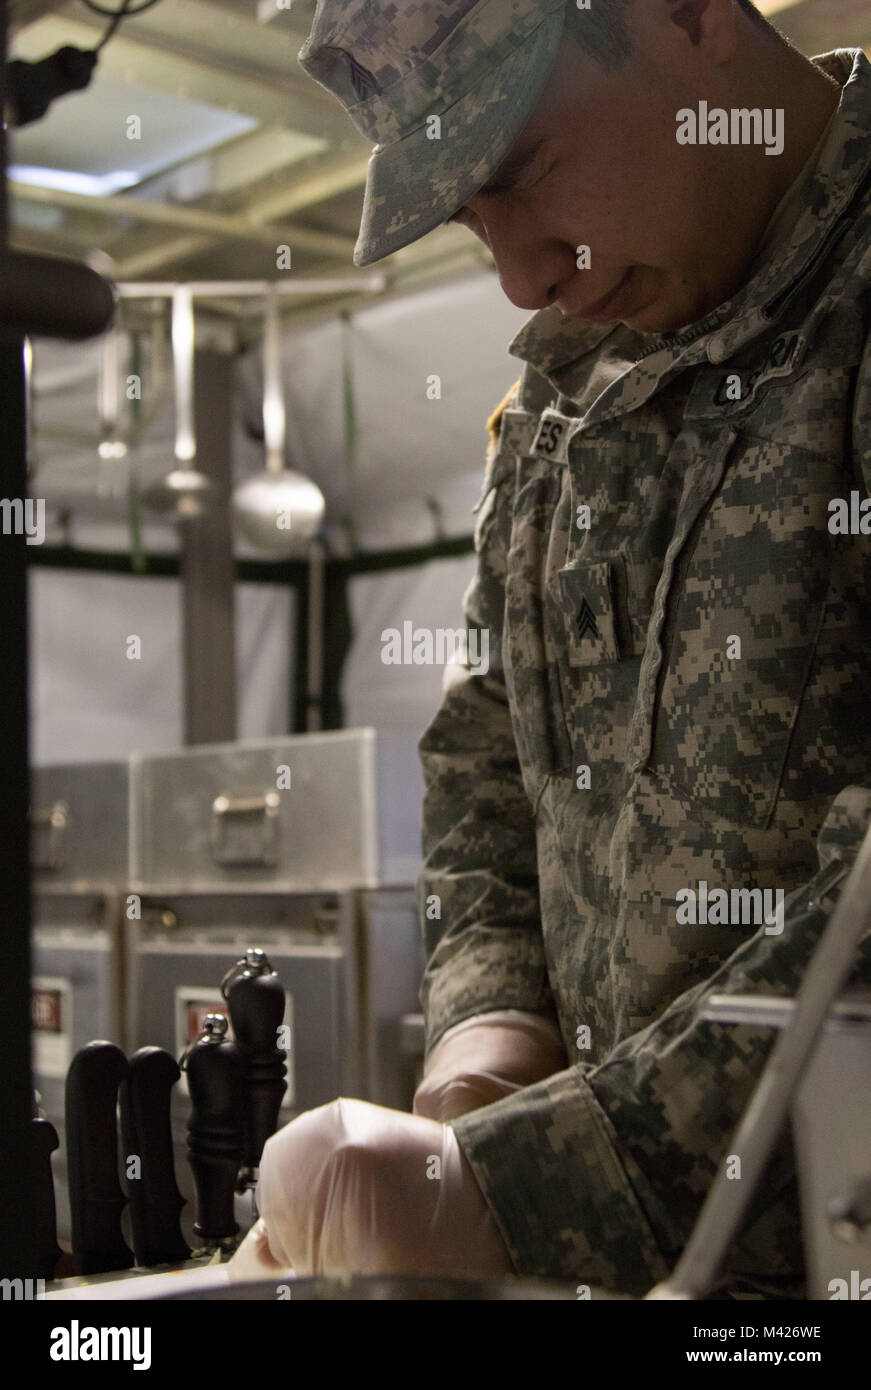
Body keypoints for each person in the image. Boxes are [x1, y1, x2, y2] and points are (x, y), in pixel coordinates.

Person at [228, 0, 871, 1297]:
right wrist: (491, 1037)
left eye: (522, 169)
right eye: (473, 224)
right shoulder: (566, 398)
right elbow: (485, 757)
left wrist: (528, 1189)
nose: (521, 279)